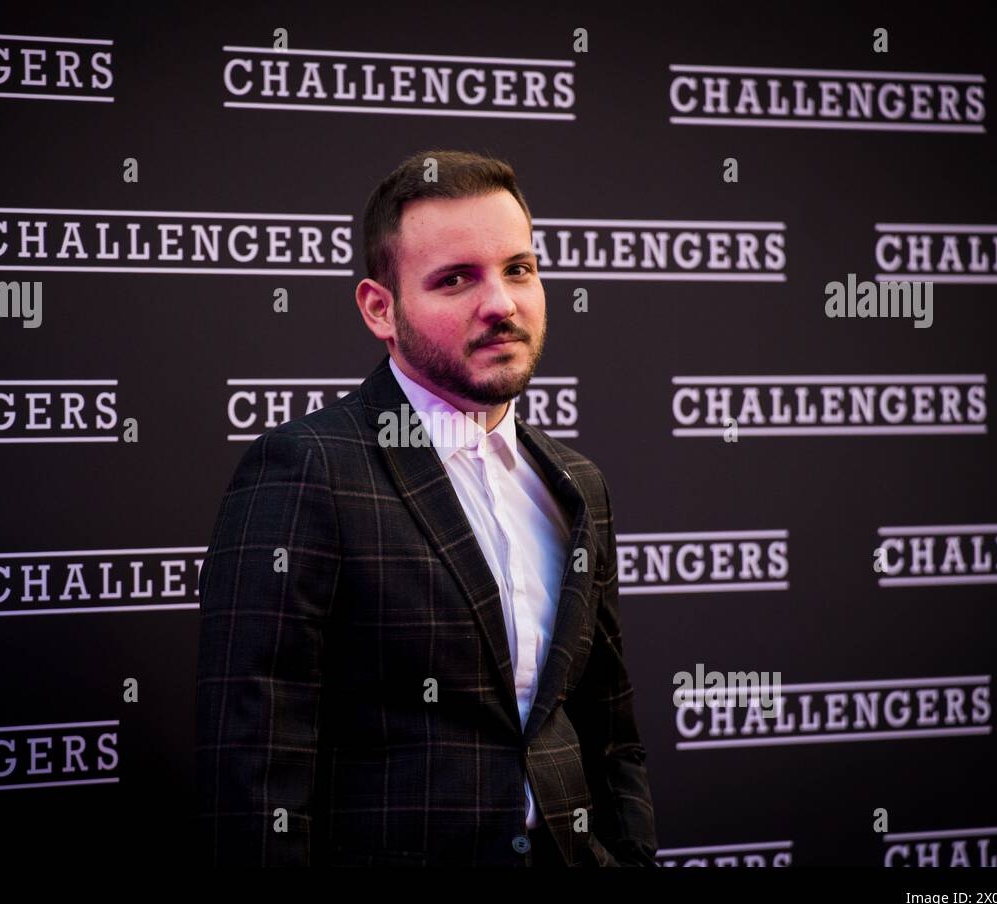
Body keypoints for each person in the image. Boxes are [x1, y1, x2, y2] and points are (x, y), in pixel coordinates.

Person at [195, 149, 658, 866]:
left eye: (518, 269)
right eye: (455, 280)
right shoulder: (307, 470)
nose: (501, 303)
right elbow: (254, 764)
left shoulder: (576, 483)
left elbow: (609, 726)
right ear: (381, 308)